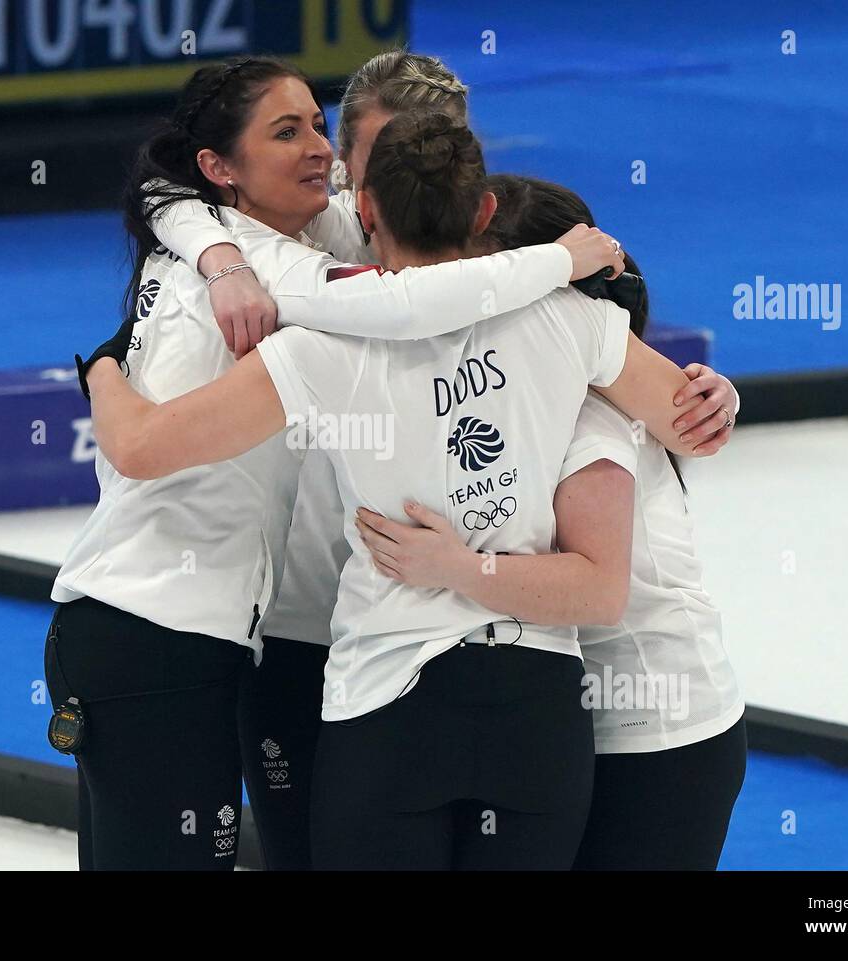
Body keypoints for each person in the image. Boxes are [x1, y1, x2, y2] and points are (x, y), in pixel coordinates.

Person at [141, 48, 738, 870]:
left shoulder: (380, 303)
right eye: (375, 145)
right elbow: (163, 194)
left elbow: (149, 445)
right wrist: (222, 260)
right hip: (317, 629)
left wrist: (711, 399)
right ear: (358, 176)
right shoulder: (309, 244)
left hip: (442, 663)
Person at [46, 58, 623, 871]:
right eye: (290, 133)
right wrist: (563, 265)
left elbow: (162, 191)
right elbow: (420, 297)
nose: (318, 150)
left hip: (200, 629)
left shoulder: (283, 232)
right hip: (171, 627)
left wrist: (205, 264)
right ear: (222, 168)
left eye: (315, 125)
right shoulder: (286, 269)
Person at [355, 174, 747, 870]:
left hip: (655, 737)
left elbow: (600, 592)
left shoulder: (586, 416)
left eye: (489, 273)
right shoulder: (551, 385)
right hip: (599, 719)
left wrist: (450, 567)